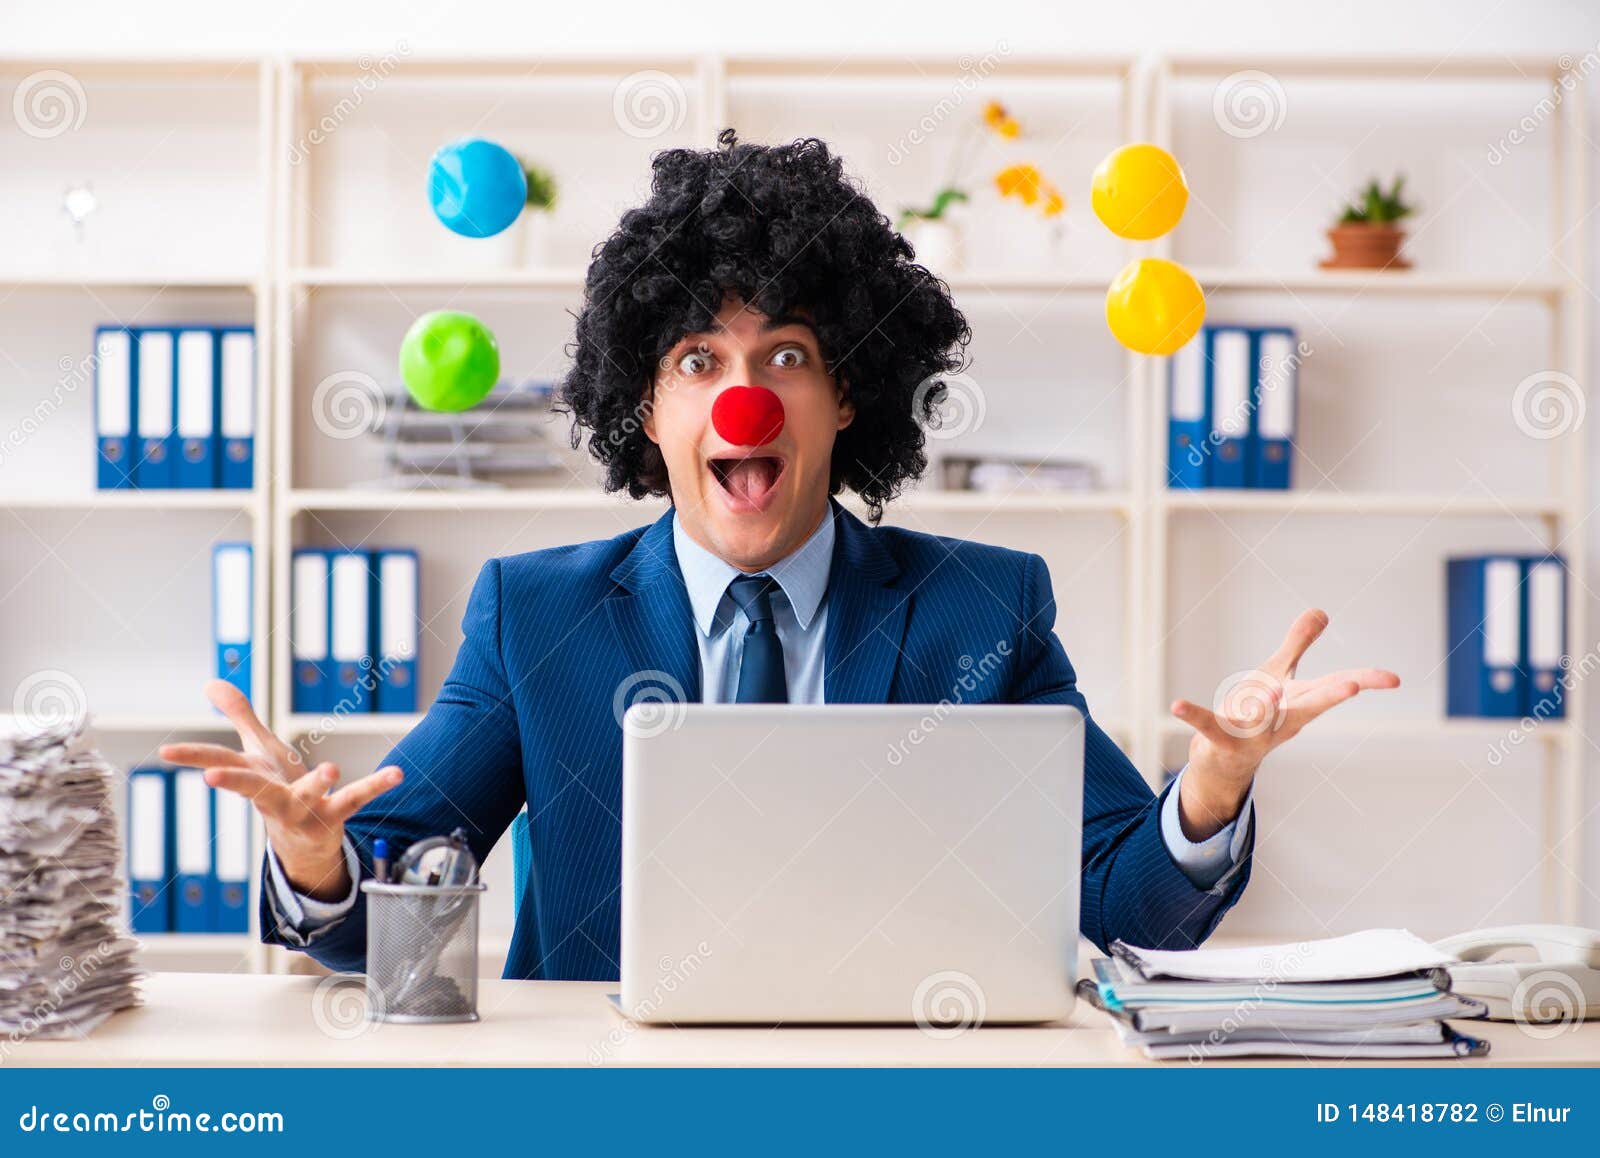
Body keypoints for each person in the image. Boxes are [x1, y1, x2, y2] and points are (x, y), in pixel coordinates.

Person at [161, 132, 1398, 980]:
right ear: (644, 409)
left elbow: (1128, 904)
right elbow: (390, 902)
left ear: (849, 396)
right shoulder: (536, 616)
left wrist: (1213, 786)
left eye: (787, 358)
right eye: (699, 361)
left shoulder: (982, 611)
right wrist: (315, 853)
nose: (743, 401)